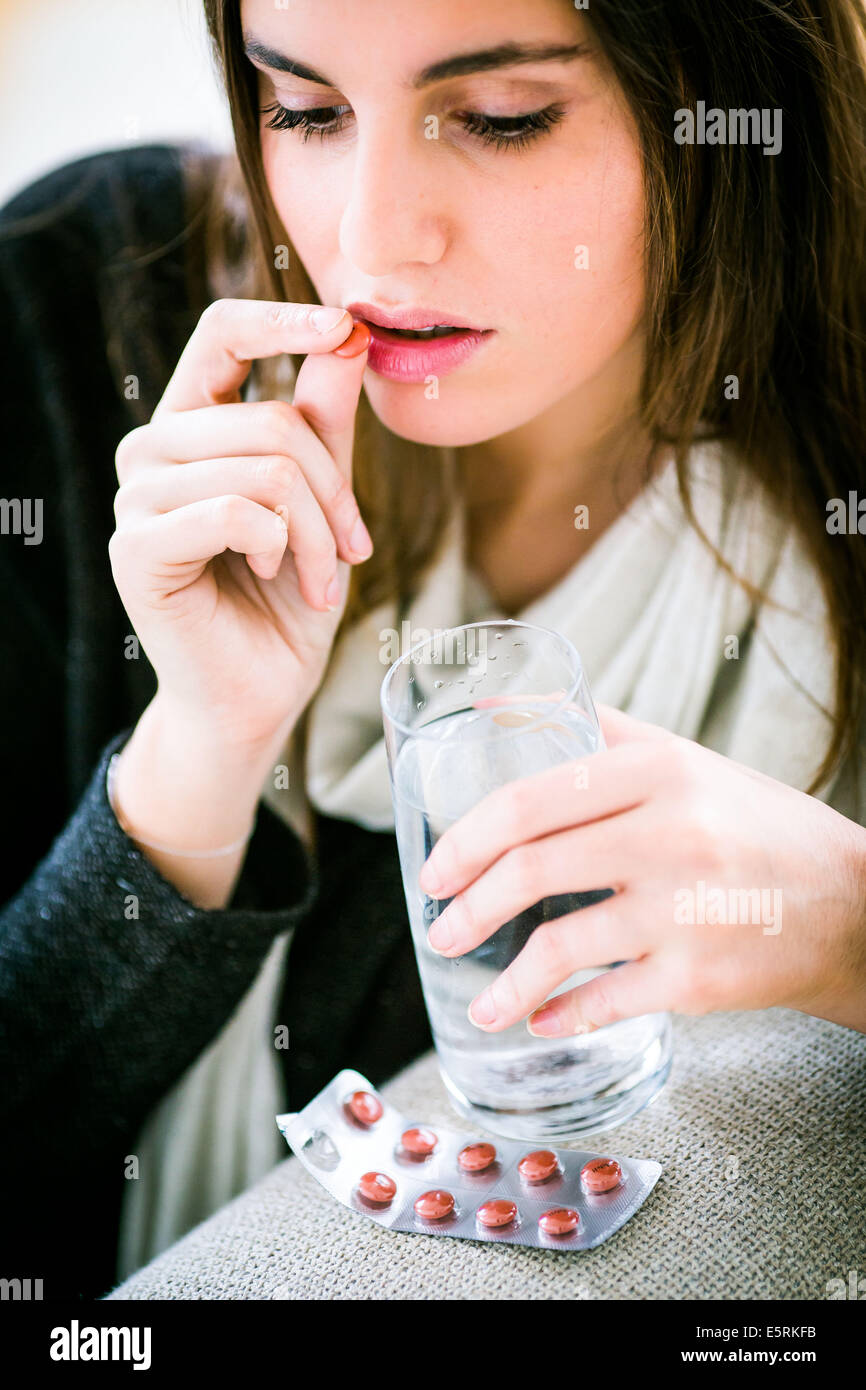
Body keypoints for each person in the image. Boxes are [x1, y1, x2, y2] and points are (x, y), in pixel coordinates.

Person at [1, 0, 864, 1300]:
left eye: (498, 118)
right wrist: (195, 753)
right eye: (302, 108)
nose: (367, 239)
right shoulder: (77, 302)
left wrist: (846, 923)